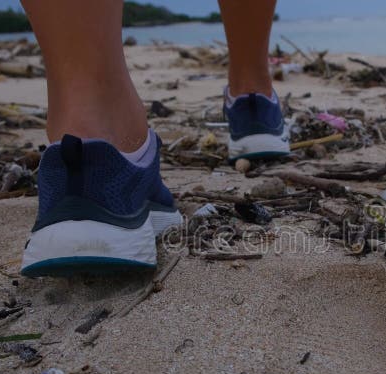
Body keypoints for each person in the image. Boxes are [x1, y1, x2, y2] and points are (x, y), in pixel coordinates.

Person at [19, 0, 288, 277]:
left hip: (64, 193)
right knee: (250, 80)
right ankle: (253, 93)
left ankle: (85, 128)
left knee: (84, 101)